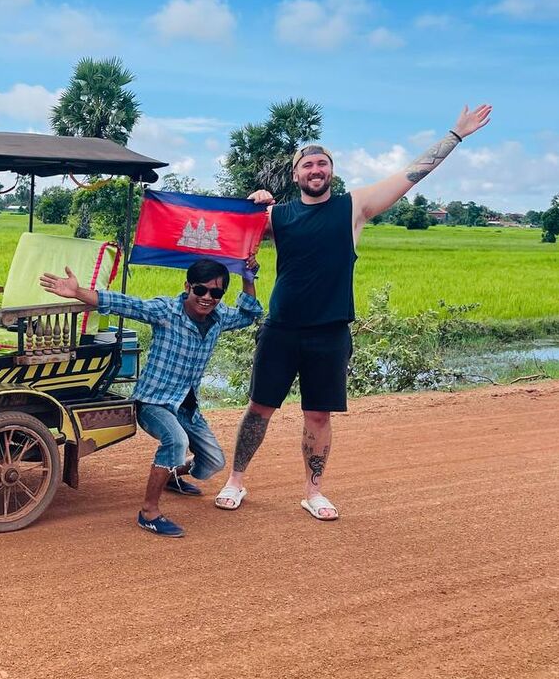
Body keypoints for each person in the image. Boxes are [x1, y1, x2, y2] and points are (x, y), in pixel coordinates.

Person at [215, 104, 493, 520]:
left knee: (318, 413)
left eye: (322, 163)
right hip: (281, 328)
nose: (315, 169)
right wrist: (253, 204)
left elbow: (412, 174)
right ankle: (235, 480)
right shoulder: (279, 215)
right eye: (307, 164)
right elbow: (226, 229)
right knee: (259, 407)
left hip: (330, 331)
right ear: (296, 175)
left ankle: (314, 491)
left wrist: (455, 135)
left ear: (331, 171)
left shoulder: (354, 207)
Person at [40, 257, 262, 537]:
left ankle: (170, 475)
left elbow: (248, 314)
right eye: (200, 290)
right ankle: (149, 513)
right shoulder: (167, 311)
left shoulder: (219, 318)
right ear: (187, 287)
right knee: (177, 441)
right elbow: (127, 304)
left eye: (216, 293)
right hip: (152, 402)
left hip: (185, 405)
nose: (207, 298)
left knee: (213, 463)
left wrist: (248, 279)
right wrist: (78, 292)